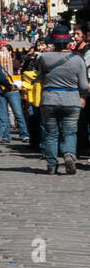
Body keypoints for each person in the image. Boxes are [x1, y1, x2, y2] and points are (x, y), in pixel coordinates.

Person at [35, 26, 86, 174]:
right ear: (69, 42)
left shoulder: (43, 58)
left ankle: (51, 165)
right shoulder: (78, 59)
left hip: (50, 99)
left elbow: (38, 74)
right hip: (71, 100)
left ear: (52, 42)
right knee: (70, 133)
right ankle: (69, 154)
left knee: (51, 134)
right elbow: (83, 85)